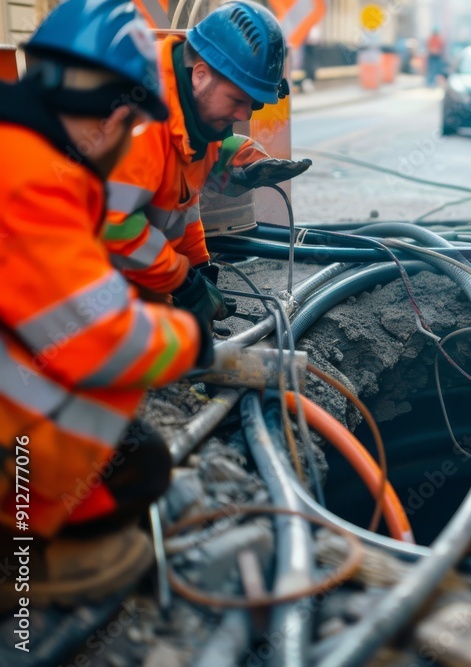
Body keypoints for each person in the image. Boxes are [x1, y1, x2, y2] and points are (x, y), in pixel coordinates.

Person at [0, 0, 213, 608]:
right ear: (118, 115)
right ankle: (22, 548)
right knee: (137, 458)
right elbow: (99, 339)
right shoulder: (38, 180)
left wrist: (193, 270)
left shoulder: (17, 150)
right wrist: (188, 339)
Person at [104, 1, 312, 327]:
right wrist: (183, 282)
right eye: (237, 100)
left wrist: (201, 267)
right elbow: (116, 228)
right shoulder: (142, 117)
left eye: (253, 105)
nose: (245, 116)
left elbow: (182, 209)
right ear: (200, 74)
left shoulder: (198, 122)